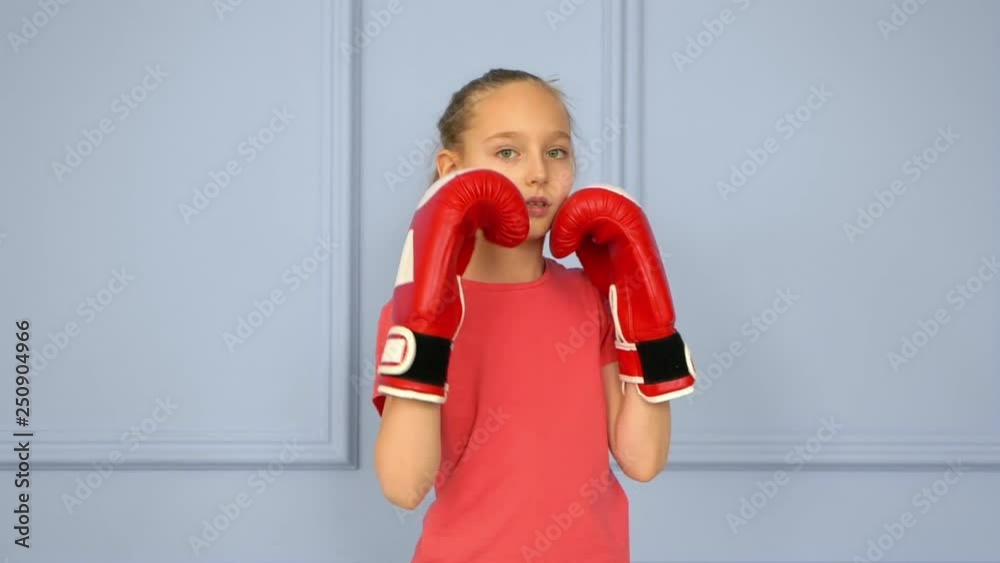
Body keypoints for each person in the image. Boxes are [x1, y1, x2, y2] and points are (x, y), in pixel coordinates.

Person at [371, 68, 696, 563]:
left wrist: (647, 328)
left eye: (556, 151)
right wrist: (426, 325)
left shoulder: (591, 299)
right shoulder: (412, 310)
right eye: (507, 152)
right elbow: (404, 486)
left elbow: (642, 459)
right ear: (450, 169)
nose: (537, 172)